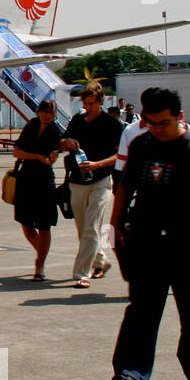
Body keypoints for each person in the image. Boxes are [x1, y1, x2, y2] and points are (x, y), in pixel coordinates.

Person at [109, 87, 190, 380]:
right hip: (147, 241)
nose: (158, 129)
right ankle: (131, 375)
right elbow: (124, 189)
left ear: (180, 117)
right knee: (143, 310)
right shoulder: (141, 145)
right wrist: (115, 226)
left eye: (164, 123)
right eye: (151, 122)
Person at [60, 84, 123, 287]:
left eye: (91, 103)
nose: (87, 107)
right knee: (82, 228)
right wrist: (67, 141)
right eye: (85, 103)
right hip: (77, 180)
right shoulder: (78, 120)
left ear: (101, 102)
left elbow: (119, 155)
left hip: (101, 180)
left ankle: (81, 274)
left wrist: (98, 164)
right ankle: (101, 261)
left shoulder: (112, 124)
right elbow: (62, 143)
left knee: (91, 227)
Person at [12, 99, 63, 281]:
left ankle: (40, 264)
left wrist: (41, 158)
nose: (47, 114)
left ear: (55, 114)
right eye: (44, 111)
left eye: (50, 112)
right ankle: (42, 252)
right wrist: (38, 156)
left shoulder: (56, 132)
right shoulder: (32, 125)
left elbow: (51, 159)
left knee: (44, 224)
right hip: (26, 177)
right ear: (38, 111)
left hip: (44, 180)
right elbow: (16, 151)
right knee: (25, 222)